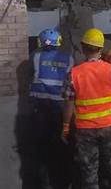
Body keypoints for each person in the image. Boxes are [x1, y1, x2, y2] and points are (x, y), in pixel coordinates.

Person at [61, 28, 111, 189]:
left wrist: (65, 127)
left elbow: (68, 105)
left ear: (83, 47)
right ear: (101, 49)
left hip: (84, 131)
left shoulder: (73, 74)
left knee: (89, 173)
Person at [29, 28, 74, 188]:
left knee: (41, 150)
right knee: (61, 147)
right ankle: (62, 182)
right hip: (61, 110)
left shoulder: (35, 56)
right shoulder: (68, 58)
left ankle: (44, 184)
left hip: (39, 110)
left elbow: (30, 75)